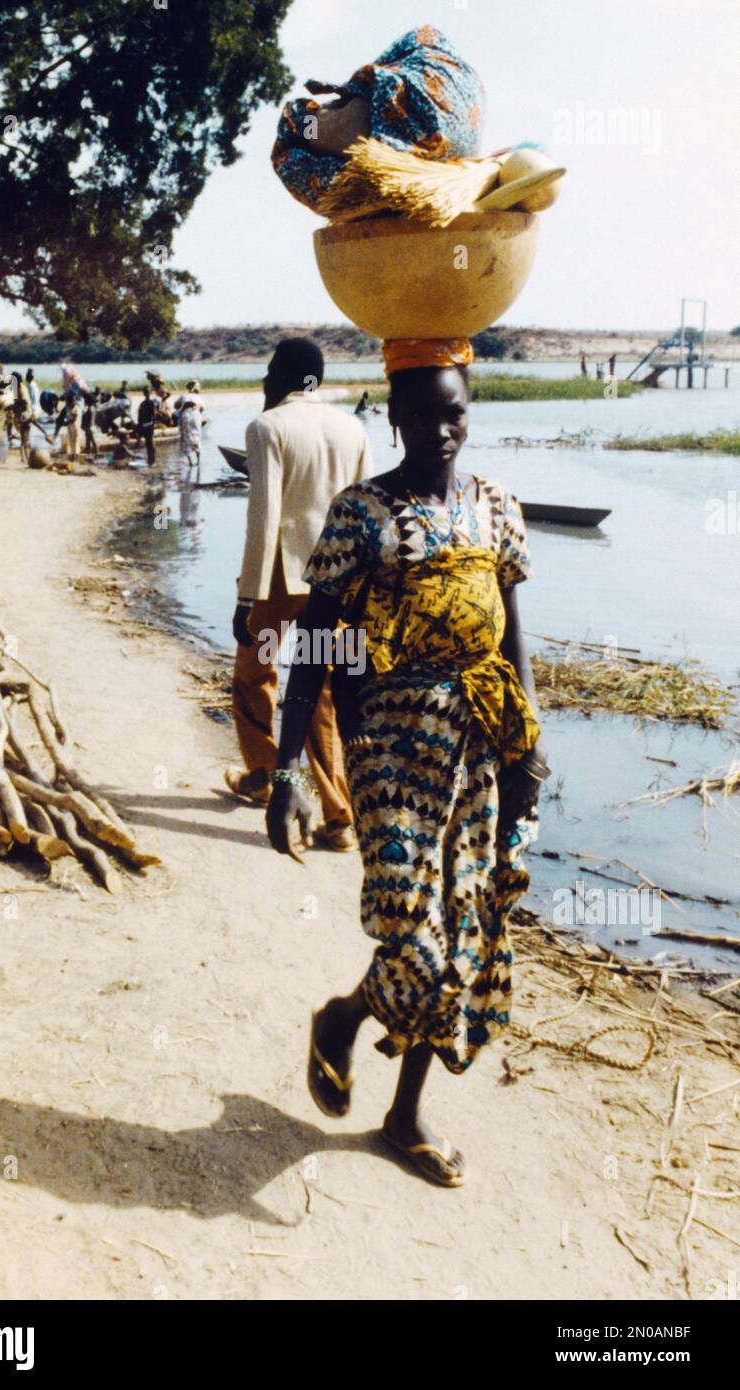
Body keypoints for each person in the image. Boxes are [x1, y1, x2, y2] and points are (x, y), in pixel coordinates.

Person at [265, 343, 549, 1187]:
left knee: (463, 928)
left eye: (454, 410)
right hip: (390, 746)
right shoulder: (361, 513)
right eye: (422, 414)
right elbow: (313, 647)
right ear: (393, 419)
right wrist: (286, 774)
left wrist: (527, 737)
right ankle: (345, 1017)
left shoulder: (496, 507)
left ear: (470, 410)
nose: (441, 428)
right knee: (406, 927)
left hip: (481, 738)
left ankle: (403, 1114)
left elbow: (511, 628)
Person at [225, 336, 373, 850]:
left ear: (286, 375)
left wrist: (247, 597)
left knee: (253, 675)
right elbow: (365, 512)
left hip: (278, 582)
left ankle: (267, 772)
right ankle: (338, 815)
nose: (264, 379)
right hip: (335, 586)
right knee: (324, 693)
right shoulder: (352, 428)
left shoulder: (267, 427)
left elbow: (263, 517)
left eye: (270, 370)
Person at [178, 396, 202, 466]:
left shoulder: (183, 414)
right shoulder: (196, 413)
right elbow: (199, 423)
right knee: (197, 448)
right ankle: (198, 461)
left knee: (187, 449)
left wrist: (181, 434)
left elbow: (181, 425)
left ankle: (190, 462)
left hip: (187, 435)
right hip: (196, 435)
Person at [137, 384, 157, 466]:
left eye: (148, 392)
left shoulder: (151, 403)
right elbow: (140, 416)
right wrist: (140, 425)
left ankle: (152, 461)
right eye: (145, 392)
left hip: (149, 425)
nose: (146, 393)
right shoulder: (143, 403)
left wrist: (150, 424)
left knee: (151, 443)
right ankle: (150, 461)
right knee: (148, 443)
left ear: (150, 392)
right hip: (144, 425)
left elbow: (153, 416)